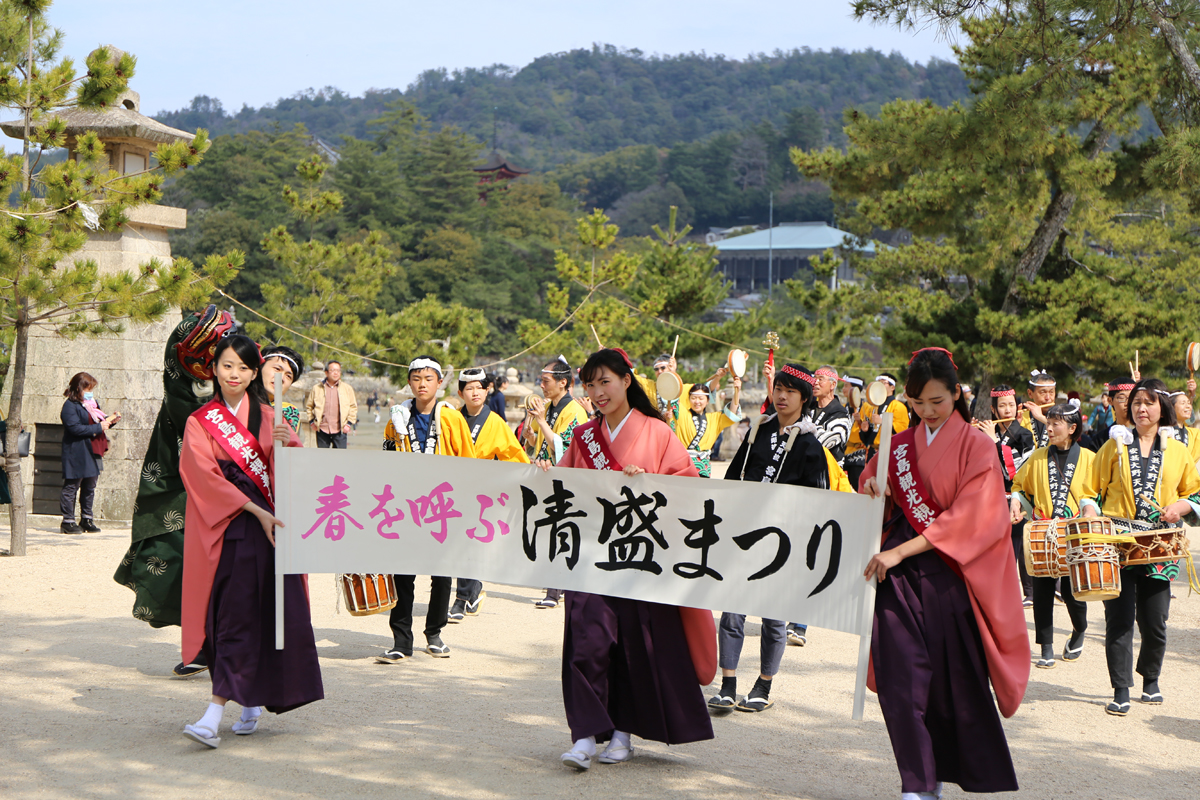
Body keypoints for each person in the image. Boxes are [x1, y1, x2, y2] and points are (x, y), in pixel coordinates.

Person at [861, 347, 1026, 798]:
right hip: (895, 579)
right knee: (900, 681)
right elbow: (873, 484)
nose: (928, 412)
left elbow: (973, 516)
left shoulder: (977, 445)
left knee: (951, 686)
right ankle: (917, 783)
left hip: (949, 577)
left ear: (957, 393)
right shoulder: (897, 442)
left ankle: (944, 773)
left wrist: (902, 552)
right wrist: (876, 487)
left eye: (937, 402)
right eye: (918, 404)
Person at [539, 348, 713, 770]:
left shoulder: (657, 431)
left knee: (634, 646)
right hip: (593, 557)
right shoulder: (583, 438)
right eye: (591, 384)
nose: (598, 393)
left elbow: (687, 487)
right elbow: (563, 486)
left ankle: (622, 731)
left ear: (626, 381)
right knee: (587, 640)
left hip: (641, 558)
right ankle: (583, 735)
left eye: (606, 382)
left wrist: (650, 482)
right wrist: (547, 474)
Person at [179, 334, 320, 749]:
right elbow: (201, 476)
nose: (234, 374)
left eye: (243, 367)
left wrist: (287, 443)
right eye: (226, 366)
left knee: (266, 616)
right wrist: (254, 510)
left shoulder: (272, 415)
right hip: (233, 527)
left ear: (254, 373)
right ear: (214, 370)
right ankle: (215, 711)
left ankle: (248, 703)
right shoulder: (200, 420)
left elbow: (297, 474)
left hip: (274, 531)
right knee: (231, 618)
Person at [115, 306, 237, 677]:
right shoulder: (182, 400)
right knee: (191, 567)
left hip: (241, 495)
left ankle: (233, 650)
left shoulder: (248, 396)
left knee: (237, 573)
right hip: (188, 495)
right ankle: (201, 647)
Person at [708, 363, 830, 712]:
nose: (781, 396)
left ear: (804, 398)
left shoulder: (810, 445)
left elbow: (818, 502)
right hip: (745, 536)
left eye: (790, 391)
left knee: (774, 618)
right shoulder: (756, 432)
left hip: (784, 545)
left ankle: (763, 685)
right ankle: (728, 685)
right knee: (732, 613)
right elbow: (733, 479)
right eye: (778, 388)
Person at [1082, 377, 1200, 716]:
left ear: (1162, 407)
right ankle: (1120, 688)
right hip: (1118, 543)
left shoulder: (1178, 450)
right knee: (1118, 619)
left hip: (1161, 543)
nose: (1141, 408)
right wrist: (1089, 509)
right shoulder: (1113, 445)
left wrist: (1181, 507)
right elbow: (1090, 490)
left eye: (1148, 402)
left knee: (1155, 621)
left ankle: (1150, 677)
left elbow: (1194, 493)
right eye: (1136, 402)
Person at [378, 356, 477, 661]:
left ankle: (434, 633)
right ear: (409, 382)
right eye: (416, 378)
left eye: (428, 379)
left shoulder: (451, 418)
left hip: (441, 505)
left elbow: (467, 460)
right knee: (402, 574)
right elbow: (386, 455)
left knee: (441, 574)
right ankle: (401, 639)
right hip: (407, 505)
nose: (422, 384)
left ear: (439, 383)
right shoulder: (398, 416)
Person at [1009, 403, 1096, 668]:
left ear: (1072, 429)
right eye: (1048, 423)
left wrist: (1089, 510)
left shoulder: (1090, 459)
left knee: (1072, 592)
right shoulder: (1037, 457)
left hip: (1073, 533)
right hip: (1042, 532)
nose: (1048, 429)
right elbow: (1020, 486)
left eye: (1055, 424)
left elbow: (1095, 493)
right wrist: (1016, 502)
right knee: (1043, 590)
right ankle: (1046, 647)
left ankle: (1080, 629)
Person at [447, 367, 530, 623]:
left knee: (468, 543)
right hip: (455, 490)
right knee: (458, 545)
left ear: (487, 391)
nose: (474, 393)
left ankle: (461, 599)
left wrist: (527, 478)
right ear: (460, 392)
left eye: (479, 388)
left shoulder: (495, 422)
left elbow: (514, 456)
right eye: (468, 388)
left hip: (482, 493)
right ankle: (474, 590)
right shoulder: (452, 420)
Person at [527, 356, 591, 608]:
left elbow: (565, 448)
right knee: (549, 530)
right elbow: (543, 444)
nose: (541, 386)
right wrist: (532, 435)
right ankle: (558, 585)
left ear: (563, 383)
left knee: (559, 530)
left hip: (564, 478)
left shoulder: (574, 410)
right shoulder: (552, 406)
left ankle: (555, 592)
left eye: (546, 381)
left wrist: (541, 421)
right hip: (545, 474)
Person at [978, 385, 1037, 606]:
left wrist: (993, 442)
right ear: (994, 410)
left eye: (1011, 405)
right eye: (1002, 406)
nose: (1007, 409)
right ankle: (998, 589)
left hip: (1015, 498)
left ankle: (1021, 592)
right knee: (994, 545)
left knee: (1015, 545)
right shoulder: (988, 432)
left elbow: (1015, 471)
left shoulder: (1024, 435)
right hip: (992, 497)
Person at [59, 372, 120, 534]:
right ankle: (68, 521)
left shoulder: (92, 404)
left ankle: (87, 518)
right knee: (72, 485)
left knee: (90, 485)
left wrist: (110, 421)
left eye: (91, 388)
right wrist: (98, 427)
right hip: (77, 450)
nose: (90, 392)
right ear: (78, 388)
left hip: (94, 449)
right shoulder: (70, 406)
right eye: (87, 388)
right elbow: (74, 428)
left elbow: (99, 422)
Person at [671, 370, 742, 477]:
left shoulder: (715, 418)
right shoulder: (681, 413)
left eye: (701, 398)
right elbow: (672, 392)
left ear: (708, 401)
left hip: (703, 468)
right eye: (693, 398)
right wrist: (672, 369)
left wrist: (737, 390)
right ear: (688, 399)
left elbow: (732, 412)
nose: (697, 401)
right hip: (682, 464)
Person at [845, 373, 909, 490]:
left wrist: (883, 421)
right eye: (878, 382)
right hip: (872, 452)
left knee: (885, 487)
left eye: (883, 382)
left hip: (889, 452)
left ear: (892, 387)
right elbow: (867, 437)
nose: (880, 384)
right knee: (869, 486)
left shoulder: (898, 406)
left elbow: (902, 431)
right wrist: (864, 429)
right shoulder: (872, 407)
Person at [305, 360, 357, 448]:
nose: (336, 373)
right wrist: (311, 422)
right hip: (322, 428)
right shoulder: (317, 388)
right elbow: (309, 406)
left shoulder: (347, 388)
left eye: (338, 370)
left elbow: (353, 407)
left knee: (340, 458)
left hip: (340, 429)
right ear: (326, 372)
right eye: (332, 370)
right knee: (323, 458)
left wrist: (348, 424)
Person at [809, 366, 852, 466]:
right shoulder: (809, 408)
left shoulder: (841, 413)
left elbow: (827, 441)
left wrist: (805, 427)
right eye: (814, 378)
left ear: (833, 384)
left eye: (820, 379)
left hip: (828, 471)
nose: (815, 382)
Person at [261, 346, 305, 433]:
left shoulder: (288, 413)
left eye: (288, 376)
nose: (281, 378)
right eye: (277, 369)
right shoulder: (237, 400)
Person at [1020, 369, 1057, 448]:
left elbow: (1066, 437)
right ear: (1030, 393)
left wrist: (1040, 417)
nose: (1048, 398)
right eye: (1042, 392)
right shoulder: (1021, 417)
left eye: (1051, 392)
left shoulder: (1063, 415)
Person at [1168, 381, 1199, 465]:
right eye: (1183, 403)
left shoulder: (1194, 434)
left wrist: (1192, 394)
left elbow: (1190, 419)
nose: (1188, 406)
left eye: (1188, 403)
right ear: (1171, 407)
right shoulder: (1163, 431)